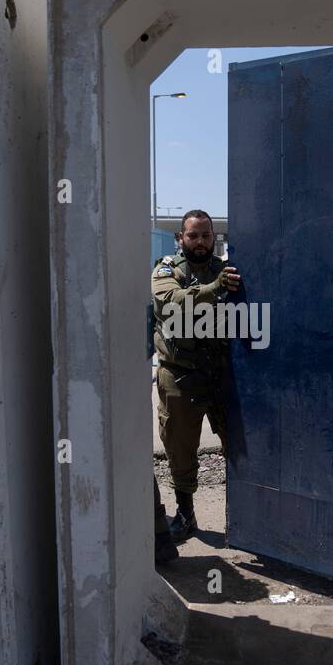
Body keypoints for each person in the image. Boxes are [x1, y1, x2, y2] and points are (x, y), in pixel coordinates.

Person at [152, 210, 241, 557]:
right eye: (193, 236)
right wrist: (215, 289)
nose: (201, 242)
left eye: (206, 235)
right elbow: (170, 302)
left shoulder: (226, 270)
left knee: (238, 446)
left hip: (221, 375)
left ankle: (244, 520)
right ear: (180, 238)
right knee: (180, 447)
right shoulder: (166, 271)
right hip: (181, 375)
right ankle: (185, 514)